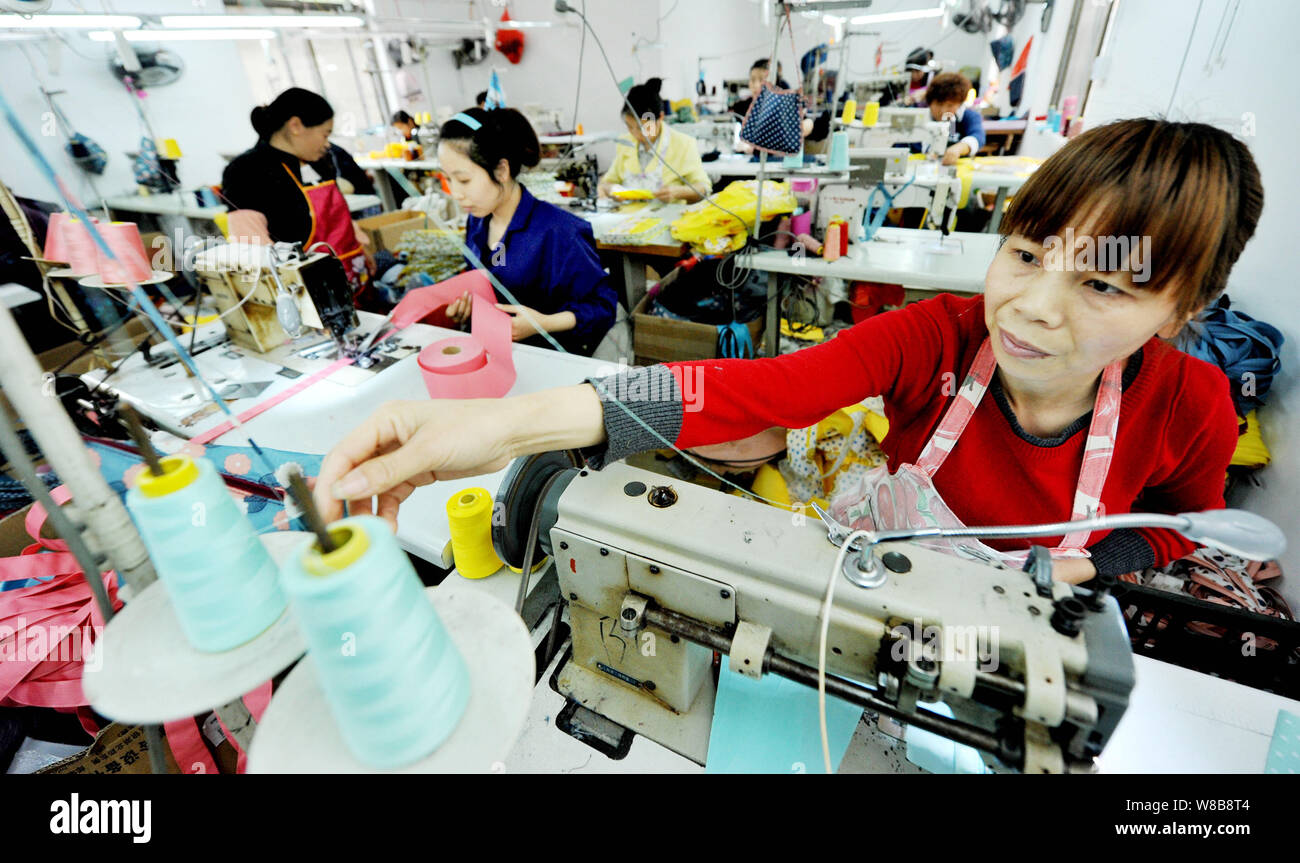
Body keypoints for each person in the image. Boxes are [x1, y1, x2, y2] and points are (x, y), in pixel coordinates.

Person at [314, 119, 1261, 588]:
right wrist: (490, 426)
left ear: (1186, 306)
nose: (1031, 309)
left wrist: (1114, 556)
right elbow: (748, 388)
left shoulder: (1194, 404)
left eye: (1101, 283)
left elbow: (1190, 521)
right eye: (1023, 254)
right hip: (899, 594)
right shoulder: (937, 339)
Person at [437, 106, 616, 356]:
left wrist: (543, 323)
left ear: (501, 170)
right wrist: (468, 306)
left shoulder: (560, 232)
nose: (455, 193)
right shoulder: (477, 222)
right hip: (494, 354)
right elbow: (486, 284)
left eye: (464, 180)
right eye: (447, 179)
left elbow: (603, 308)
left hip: (551, 361)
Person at [221, 88, 370, 271]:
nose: (327, 144)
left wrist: (361, 246)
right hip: (303, 283)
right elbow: (253, 246)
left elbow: (338, 216)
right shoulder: (245, 170)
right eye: (325, 134)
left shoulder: (320, 161)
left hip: (350, 265)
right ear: (296, 126)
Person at [597, 78, 710, 203]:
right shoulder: (625, 143)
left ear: (660, 117)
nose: (635, 134)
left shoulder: (682, 144)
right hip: (629, 217)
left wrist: (678, 192)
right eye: (629, 126)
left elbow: (703, 188)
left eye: (642, 128)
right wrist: (611, 189)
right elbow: (607, 182)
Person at [924, 72, 985, 165]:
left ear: (960, 105)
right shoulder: (921, 118)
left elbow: (978, 137)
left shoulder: (969, 117)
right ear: (930, 102)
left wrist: (959, 148)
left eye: (950, 105)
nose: (943, 110)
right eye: (939, 104)